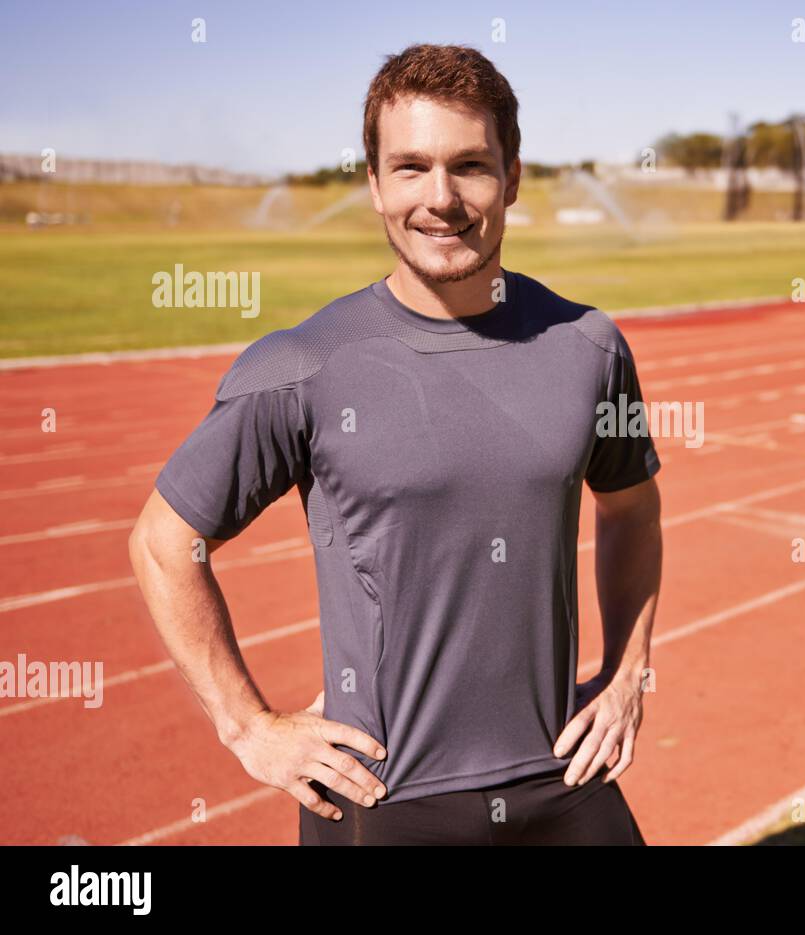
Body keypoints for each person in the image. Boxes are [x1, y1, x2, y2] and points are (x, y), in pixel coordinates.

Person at [128, 43, 663, 845]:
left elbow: (630, 510)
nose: (441, 198)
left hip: (563, 781)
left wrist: (626, 674)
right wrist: (248, 726)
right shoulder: (302, 365)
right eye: (410, 167)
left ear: (512, 177)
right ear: (375, 183)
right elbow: (165, 542)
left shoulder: (589, 346)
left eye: (470, 166)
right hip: (385, 800)